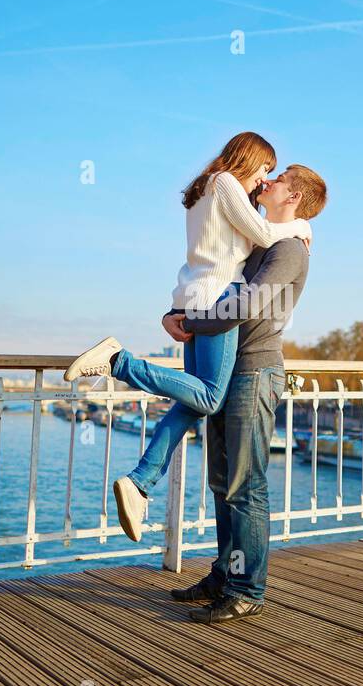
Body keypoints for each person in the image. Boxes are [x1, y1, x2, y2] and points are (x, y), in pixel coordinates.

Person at [63, 132, 312, 543]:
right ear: (249, 159)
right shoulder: (227, 184)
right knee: (211, 397)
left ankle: (140, 482)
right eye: (264, 169)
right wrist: (304, 226)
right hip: (218, 298)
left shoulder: (204, 188)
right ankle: (118, 362)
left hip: (194, 296)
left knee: (193, 402)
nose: (262, 180)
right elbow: (266, 237)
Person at [162, 164, 327, 624]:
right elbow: (211, 280)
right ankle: (224, 575)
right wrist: (174, 314)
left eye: (279, 179)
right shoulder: (259, 242)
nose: (266, 182)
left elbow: (246, 306)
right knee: (222, 481)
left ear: (292, 197)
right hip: (230, 371)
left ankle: (247, 589)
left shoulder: (290, 249)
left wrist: (189, 324)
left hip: (255, 373)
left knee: (245, 485)